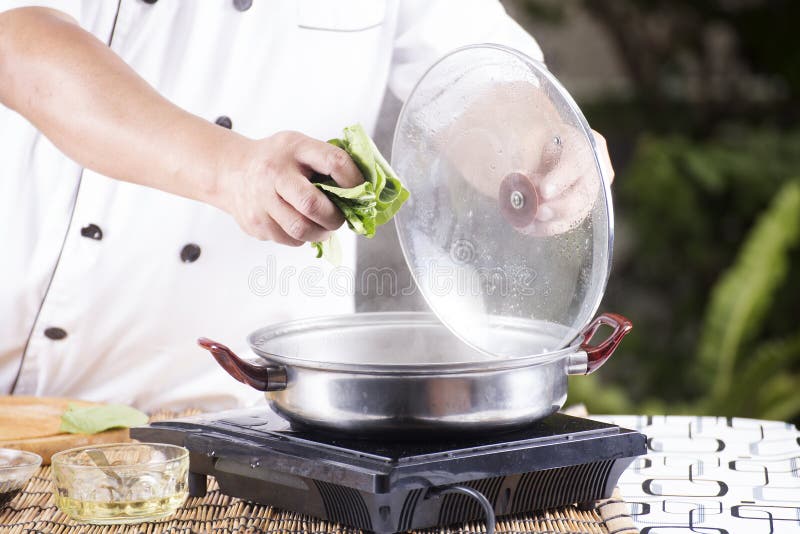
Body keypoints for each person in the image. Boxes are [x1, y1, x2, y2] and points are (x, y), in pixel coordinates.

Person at [0, 1, 611, 412]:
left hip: (236, 395)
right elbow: (19, 42)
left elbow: (470, 74)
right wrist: (229, 168)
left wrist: (539, 148)